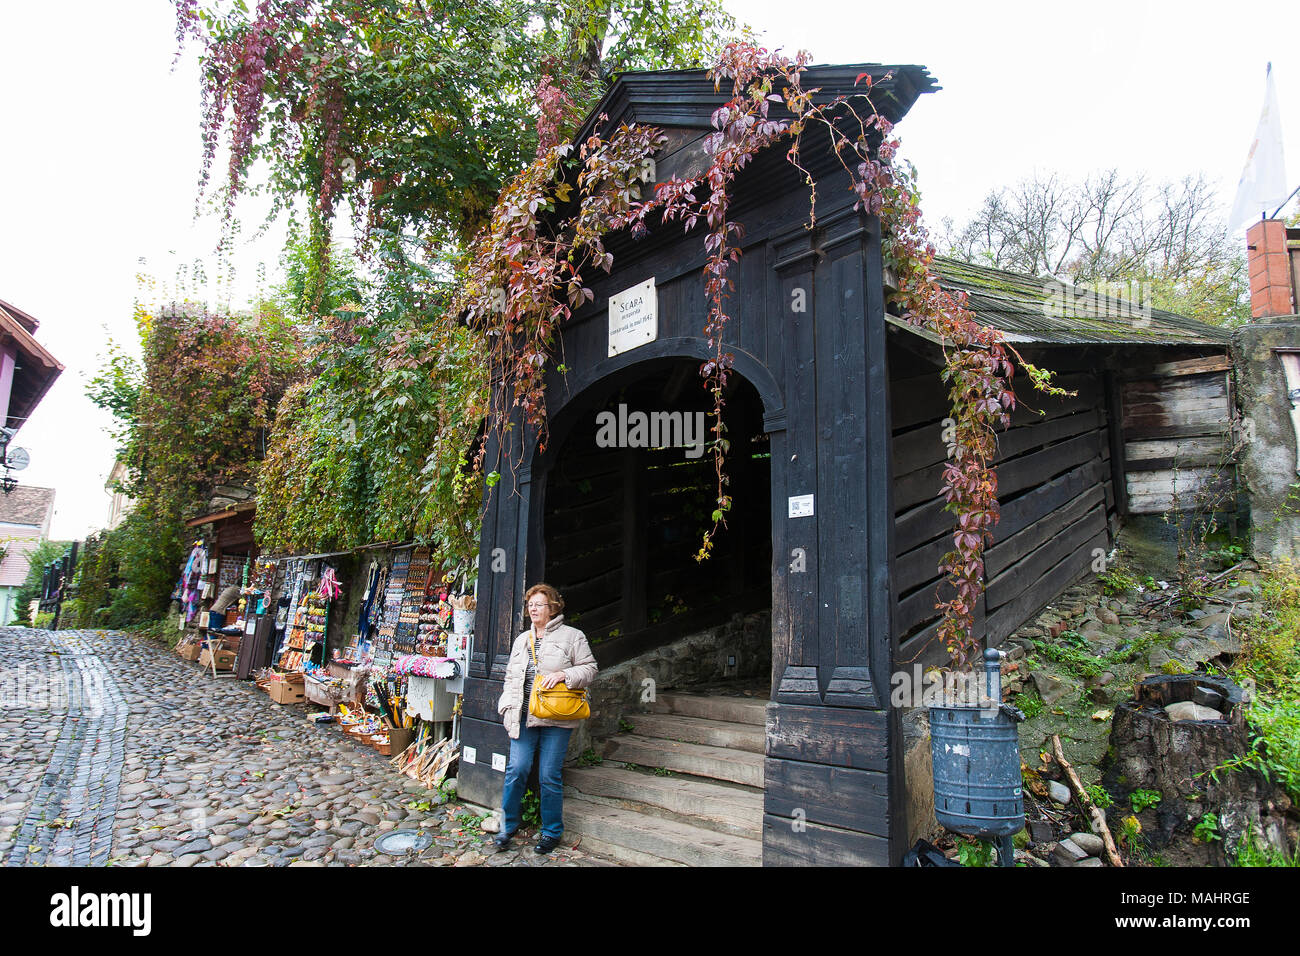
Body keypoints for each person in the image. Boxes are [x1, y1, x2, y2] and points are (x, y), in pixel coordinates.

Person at [493, 583, 597, 854]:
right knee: (517, 770)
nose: (533, 608)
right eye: (530, 605)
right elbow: (510, 676)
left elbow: (590, 669)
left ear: (553, 608)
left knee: (549, 775)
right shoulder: (520, 640)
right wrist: (506, 706)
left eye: (539, 604)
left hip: (556, 718)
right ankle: (507, 826)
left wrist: (565, 675)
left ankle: (551, 831)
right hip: (523, 716)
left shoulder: (572, 636)